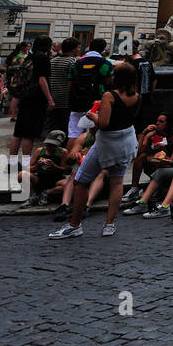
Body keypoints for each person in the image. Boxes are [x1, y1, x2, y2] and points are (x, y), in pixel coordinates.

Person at [48, 61, 142, 239]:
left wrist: (92, 115)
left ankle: (75, 225)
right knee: (117, 182)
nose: (111, 76)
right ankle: (109, 224)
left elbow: (104, 123)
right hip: (127, 141)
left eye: (114, 73)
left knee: (81, 181)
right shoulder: (137, 95)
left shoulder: (110, 96)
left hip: (107, 143)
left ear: (119, 78)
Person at [67, 39, 114, 144]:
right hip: (96, 101)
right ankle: (85, 156)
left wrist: (71, 96)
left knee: (73, 132)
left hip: (77, 100)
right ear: (102, 49)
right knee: (92, 132)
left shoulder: (78, 63)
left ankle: (69, 158)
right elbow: (108, 80)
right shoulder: (105, 63)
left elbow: (70, 80)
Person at [124, 115, 173, 204]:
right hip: (154, 164)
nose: (157, 123)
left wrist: (162, 149)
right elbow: (138, 152)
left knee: (156, 159)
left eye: (161, 122)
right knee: (141, 156)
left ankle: (157, 189)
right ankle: (134, 188)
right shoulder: (153, 134)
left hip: (168, 165)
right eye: (157, 121)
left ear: (168, 124)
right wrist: (144, 134)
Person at [47, 38, 80, 141]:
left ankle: (51, 148)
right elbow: (72, 81)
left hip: (52, 99)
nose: (79, 49)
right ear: (74, 49)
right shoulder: (74, 61)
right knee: (65, 128)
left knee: (53, 127)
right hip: (66, 100)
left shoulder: (52, 60)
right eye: (78, 47)